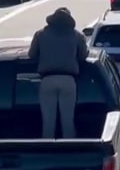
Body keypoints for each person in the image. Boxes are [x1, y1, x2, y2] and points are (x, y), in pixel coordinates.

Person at [28, 7, 89, 139]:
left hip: (47, 79)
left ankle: (48, 151)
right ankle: (69, 151)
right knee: (68, 122)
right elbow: (84, 56)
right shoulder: (77, 36)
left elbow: (31, 54)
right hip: (68, 80)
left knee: (48, 123)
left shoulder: (40, 34)